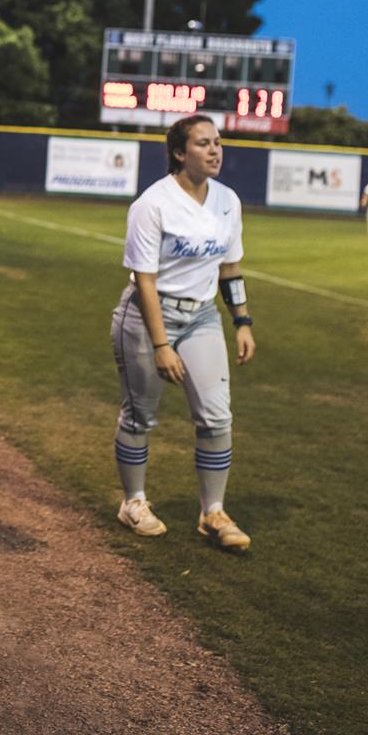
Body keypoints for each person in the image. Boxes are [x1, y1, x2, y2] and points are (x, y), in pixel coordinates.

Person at [111, 114, 256, 551]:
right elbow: (146, 280)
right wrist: (161, 345)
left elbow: (230, 268)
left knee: (216, 416)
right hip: (145, 317)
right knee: (140, 416)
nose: (215, 150)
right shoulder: (152, 203)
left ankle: (213, 512)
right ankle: (133, 502)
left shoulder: (228, 200)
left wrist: (242, 321)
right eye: (202, 143)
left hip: (202, 317)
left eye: (217, 142)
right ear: (179, 153)